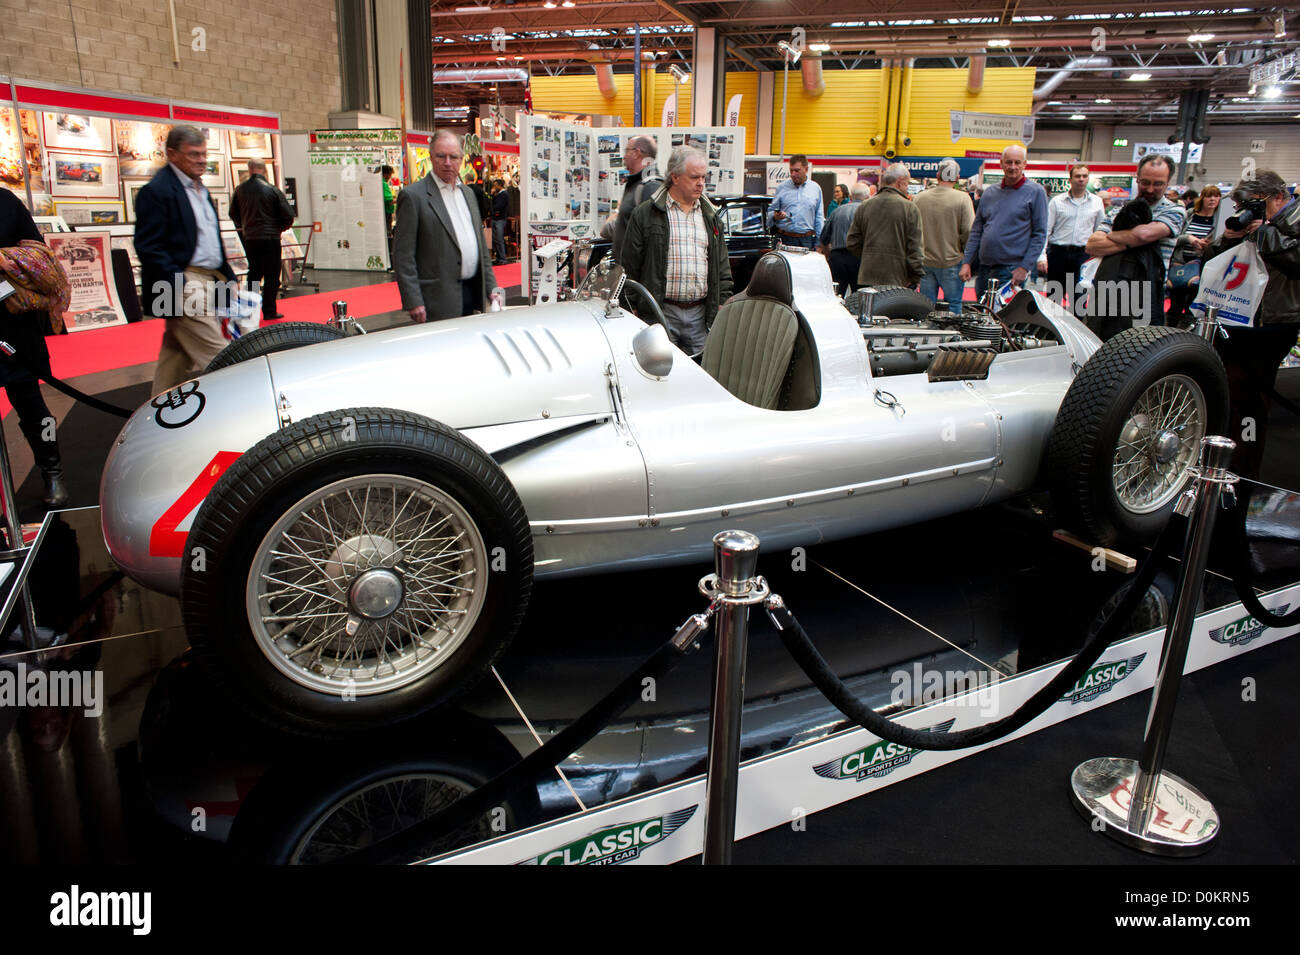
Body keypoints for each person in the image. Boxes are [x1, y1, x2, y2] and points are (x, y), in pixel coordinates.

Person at [1200, 171, 1300, 479]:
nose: (1245, 211)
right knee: (1225, 395)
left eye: (1254, 204)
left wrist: (1263, 231)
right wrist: (1226, 241)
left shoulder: (1292, 220)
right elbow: (1217, 265)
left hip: (1271, 325)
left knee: (1252, 405)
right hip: (1234, 320)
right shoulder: (1252, 224)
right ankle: (1217, 458)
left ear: (1278, 198)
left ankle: (1243, 468)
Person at [133, 124, 236, 395]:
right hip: (183, 281)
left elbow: (210, 238)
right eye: (193, 154)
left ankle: (158, 407)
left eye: (203, 154)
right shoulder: (157, 191)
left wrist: (229, 276)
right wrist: (177, 286)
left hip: (210, 278)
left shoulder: (200, 190)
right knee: (221, 355)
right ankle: (243, 400)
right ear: (172, 154)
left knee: (176, 354)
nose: (201, 160)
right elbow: (148, 246)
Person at [621, 146, 733, 357]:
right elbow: (630, 266)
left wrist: (721, 303)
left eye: (703, 177)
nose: (701, 183)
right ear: (675, 177)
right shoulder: (646, 214)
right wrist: (631, 308)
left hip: (701, 315)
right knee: (660, 373)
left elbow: (722, 265)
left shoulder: (710, 216)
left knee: (701, 375)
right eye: (694, 177)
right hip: (660, 312)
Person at [0, 190, 69, 506]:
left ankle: (52, 471)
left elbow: (40, 255)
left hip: (12, 319)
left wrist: (7, 261)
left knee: (31, 404)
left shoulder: (6, 202)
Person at [393, 130, 503, 322]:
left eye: (453, 157)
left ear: (461, 159)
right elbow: (403, 255)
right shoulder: (413, 196)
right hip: (435, 299)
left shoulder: (468, 194)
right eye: (441, 156)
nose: (447, 162)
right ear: (431, 157)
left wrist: (492, 289)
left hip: (472, 292)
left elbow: (481, 249)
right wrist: (413, 300)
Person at [1085, 153, 1185, 331]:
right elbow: (1092, 245)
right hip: (1109, 291)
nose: (1150, 189)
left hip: (1147, 297)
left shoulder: (1175, 211)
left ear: (1168, 183)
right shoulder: (1119, 209)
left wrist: (1113, 235)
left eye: (1158, 184)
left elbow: (1144, 235)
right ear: (1137, 179)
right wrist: (1133, 237)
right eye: (1145, 182)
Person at [960, 144, 1048, 302]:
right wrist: (967, 262)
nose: (1013, 167)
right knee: (983, 316)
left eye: (1017, 162)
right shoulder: (990, 193)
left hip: (1012, 270)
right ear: (1001, 164)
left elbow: (1040, 234)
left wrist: (1024, 267)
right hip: (984, 268)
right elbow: (977, 231)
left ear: (1024, 164)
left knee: (1004, 319)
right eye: (1008, 162)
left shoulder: (1036, 192)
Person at [229, 157, 295, 322]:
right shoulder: (272, 190)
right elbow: (288, 215)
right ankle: (269, 310)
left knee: (254, 273)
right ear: (264, 170)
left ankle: (250, 309)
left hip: (251, 238)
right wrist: (278, 228)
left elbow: (233, 214)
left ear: (249, 169)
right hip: (270, 237)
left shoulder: (240, 190)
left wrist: (246, 227)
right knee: (272, 274)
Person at [1035, 162, 1104, 309]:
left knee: (1079, 300)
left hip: (1082, 255)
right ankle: (1052, 331)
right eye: (1078, 176)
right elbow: (1046, 230)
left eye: (1085, 176)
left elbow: (1100, 232)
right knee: (1054, 299)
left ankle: (1076, 330)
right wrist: (1041, 257)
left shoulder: (1097, 203)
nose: (1081, 179)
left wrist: (1098, 259)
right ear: (1070, 180)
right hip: (1058, 254)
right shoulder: (1057, 202)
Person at [846, 162, 924, 290]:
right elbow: (915, 248)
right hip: (898, 278)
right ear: (900, 182)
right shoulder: (910, 208)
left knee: (869, 309)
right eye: (907, 184)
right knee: (894, 310)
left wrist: (869, 256)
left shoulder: (865, 206)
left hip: (868, 275)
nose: (907, 188)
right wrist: (915, 276)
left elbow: (852, 242)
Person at [913, 158, 974, 313]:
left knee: (926, 306)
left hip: (926, 261)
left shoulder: (920, 198)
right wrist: (966, 255)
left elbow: (913, 230)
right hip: (952, 261)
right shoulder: (963, 198)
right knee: (953, 306)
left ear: (937, 175)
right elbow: (968, 230)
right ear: (957, 177)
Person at [1165, 185, 1220, 327]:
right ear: (1202, 198)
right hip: (1181, 264)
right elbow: (1172, 237)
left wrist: (1209, 246)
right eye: (1209, 196)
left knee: (1193, 306)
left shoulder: (1219, 219)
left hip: (1203, 267)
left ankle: (1186, 336)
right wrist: (1189, 239)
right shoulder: (1189, 214)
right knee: (1176, 304)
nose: (1213, 199)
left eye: (1216, 196)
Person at [611, 135, 661, 263]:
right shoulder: (636, 184)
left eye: (627, 151)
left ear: (636, 153)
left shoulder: (651, 186)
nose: (624, 156)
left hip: (635, 276)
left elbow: (651, 238)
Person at [820, 182, 868, 294]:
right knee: (860, 298)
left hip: (837, 258)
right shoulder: (868, 213)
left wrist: (829, 256)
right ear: (867, 197)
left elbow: (823, 239)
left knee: (835, 296)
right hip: (860, 260)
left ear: (851, 196)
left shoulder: (838, 211)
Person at [769, 154, 824, 249]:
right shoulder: (782, 188)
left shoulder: (815, 189)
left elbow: (819, 217)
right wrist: (775, 216)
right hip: (784, 239)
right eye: (791, 170)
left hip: (806, 240)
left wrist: (819, 243)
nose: (793, 174)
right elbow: (770, 211)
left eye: (797, 170)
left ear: (806, 169)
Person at [490, 179, 510, 264]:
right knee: (495, 239)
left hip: (500, 219)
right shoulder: (497, 194)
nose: (494, 187)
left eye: (496, 185)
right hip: (495, 218)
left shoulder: (504, 194)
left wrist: (493, 206)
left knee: (499, 239)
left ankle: (502, 258)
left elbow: (498, 206)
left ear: (500, 185)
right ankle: (498, 257)